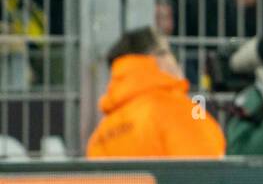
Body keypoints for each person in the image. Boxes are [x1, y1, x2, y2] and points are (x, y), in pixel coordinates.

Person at [87, 27, 225, 159]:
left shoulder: (101, 135)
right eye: (170, 52)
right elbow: (207, 175)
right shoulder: (180, 112)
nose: (176, 62)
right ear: (158, 57)